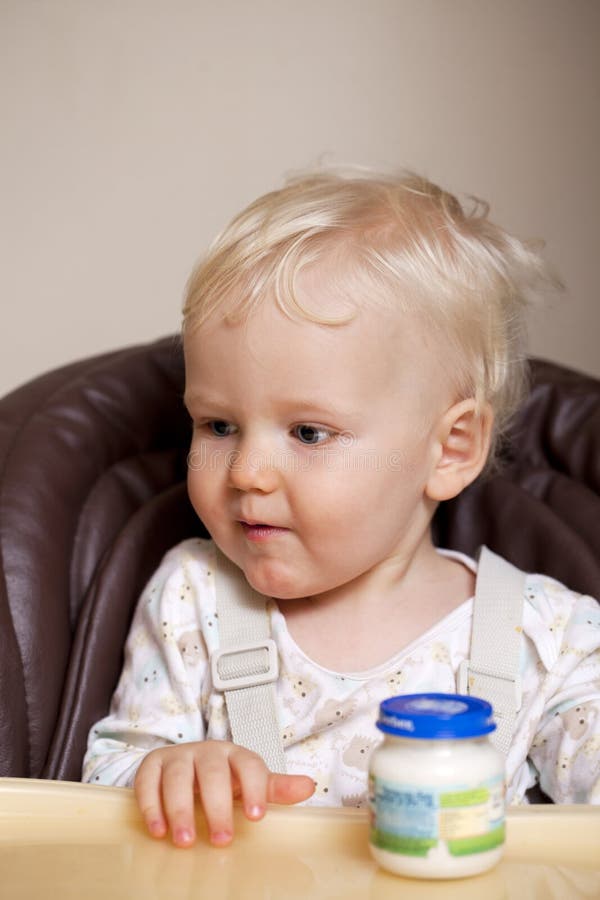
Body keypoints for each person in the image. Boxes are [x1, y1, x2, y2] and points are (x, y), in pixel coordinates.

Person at [83, 169, 600, 848]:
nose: (246, 472)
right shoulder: (195, 599)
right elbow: (103, 785)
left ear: (449, 450)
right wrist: (167, 771)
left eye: (307, 433)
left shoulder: (547, 638)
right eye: (218, 426)